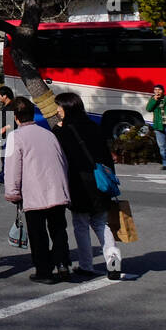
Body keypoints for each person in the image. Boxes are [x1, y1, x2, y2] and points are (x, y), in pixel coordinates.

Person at [53, 92, 121, 280]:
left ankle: (86, 265)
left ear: (67, 108)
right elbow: (106, 155)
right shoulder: (93, 126)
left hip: (79, 182)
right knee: (101, 223)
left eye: (59, 106)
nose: (57, 110)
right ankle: (113, 259)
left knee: (81, 225)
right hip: (100, 181)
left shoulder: (62, 131)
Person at [4, 95, 71, 282]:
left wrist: (13, 192)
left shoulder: (15, 137)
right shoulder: (48, 133)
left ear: (16, 117)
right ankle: (63, 263)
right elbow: (62, 161)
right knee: (58, 229)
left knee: (38, 233)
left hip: (34, 191)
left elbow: (12, 167)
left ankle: (44, 271)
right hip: (57, 188)